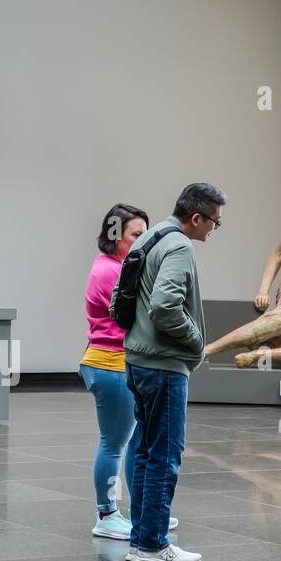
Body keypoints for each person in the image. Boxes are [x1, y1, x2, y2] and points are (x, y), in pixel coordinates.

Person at [113, 183, 226, 561]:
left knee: (145, 452)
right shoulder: (180, 245)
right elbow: (165, 305)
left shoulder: (151, 235)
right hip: (164, 366)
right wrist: (196, 340)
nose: (213, 230)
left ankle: (141, 541)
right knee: (164, 455)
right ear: (197, 218)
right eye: (214, 222)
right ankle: (153, 545)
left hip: (139, 360)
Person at [80, 204, 178, 541]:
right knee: (114, 445)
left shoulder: (117, 266)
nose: (142, 241)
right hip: (111, 365)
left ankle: (141, 512)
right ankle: (106, 515)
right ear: (114, 235)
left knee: (134, 443)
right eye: (136, 235)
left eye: (144, 235)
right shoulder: (111, 271)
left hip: (119, 364)